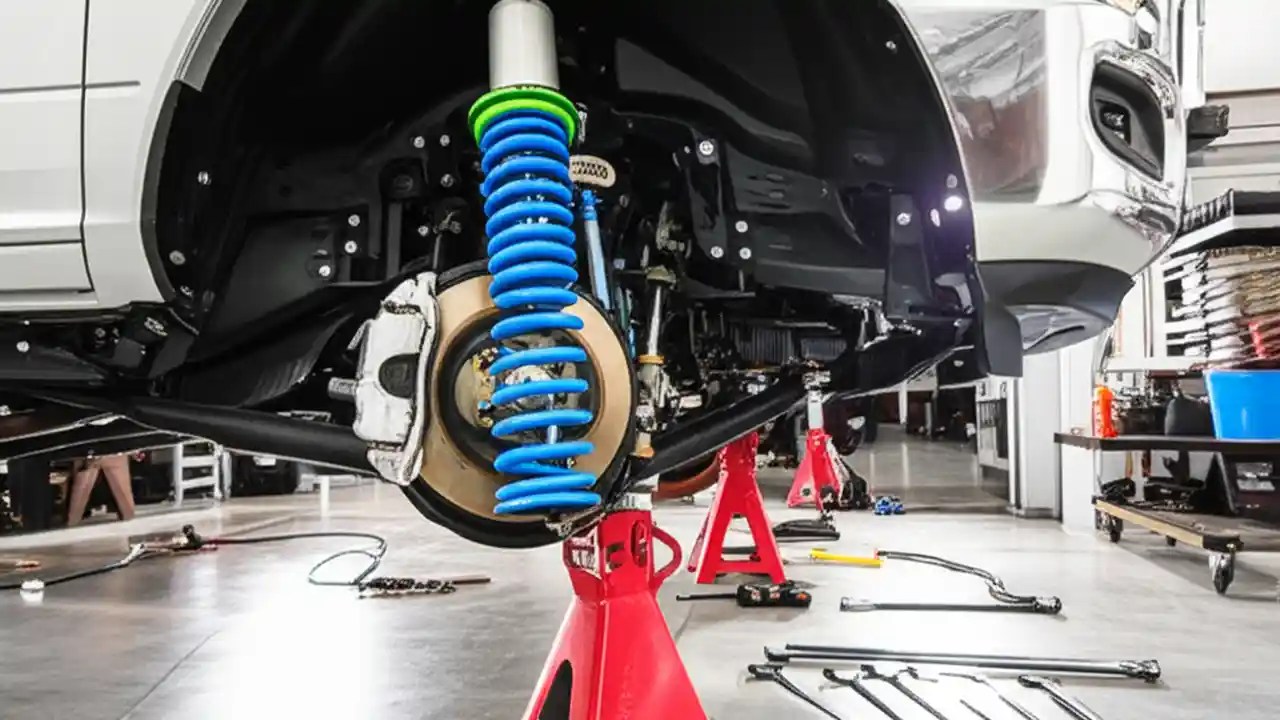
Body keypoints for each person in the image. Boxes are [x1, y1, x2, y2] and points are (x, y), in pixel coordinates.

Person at [66, 454, 136, 527]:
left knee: (128, 511)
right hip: (106, 453)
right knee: (128, 511)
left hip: (104, 453)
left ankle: (71, 524)